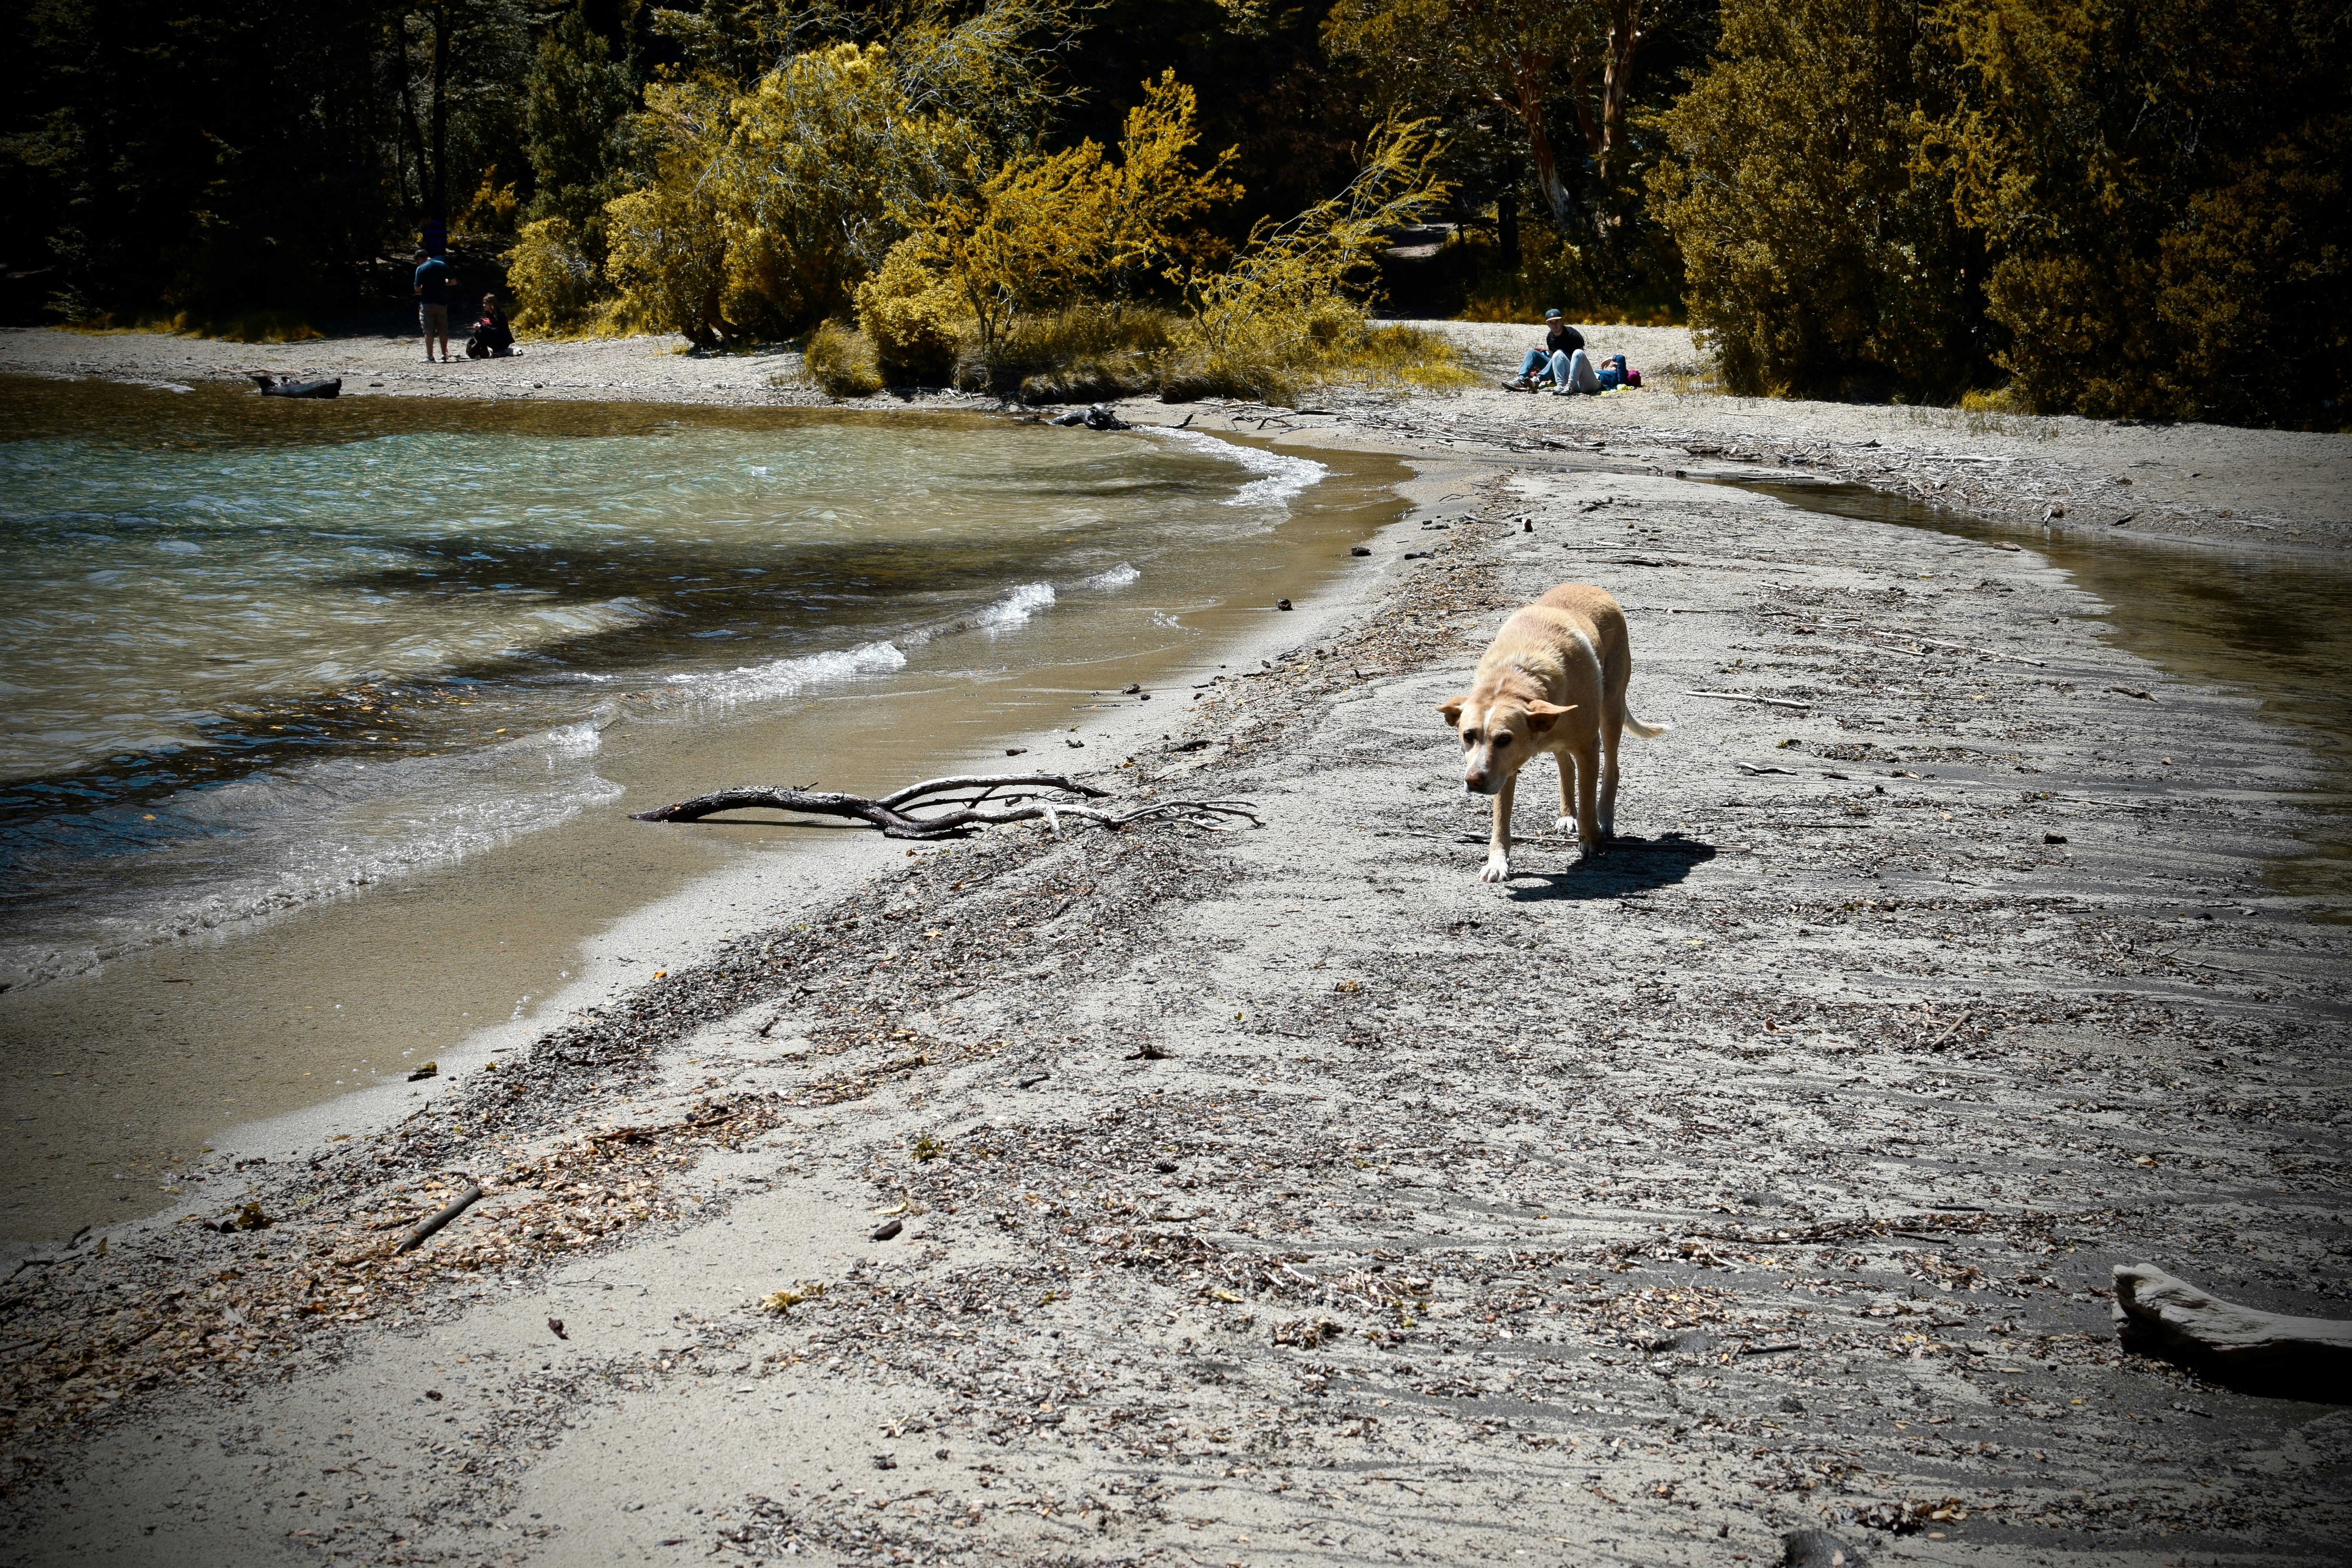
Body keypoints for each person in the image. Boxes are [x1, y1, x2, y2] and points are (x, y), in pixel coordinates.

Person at [1506, 309, 1593, 391]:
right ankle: (1521, 380)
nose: (1554, 325)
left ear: (1562, 321)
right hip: (1557, 374)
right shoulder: (1550, 337)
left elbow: (1581, 359)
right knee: (1532, 353)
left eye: (1557, 322)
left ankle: (1538, 380)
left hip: (1572, 375)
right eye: (1551, 322)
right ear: (1548, 324)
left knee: (1559, 354)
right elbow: (1552, 358)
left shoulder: (1574, 335)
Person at [414, 248, 455, 363]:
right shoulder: (442, 265)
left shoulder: (421, 268)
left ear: (420, 258)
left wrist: (425, 287)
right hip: (441, 303)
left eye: (418, 260)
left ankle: (430, 357)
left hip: (427, 303)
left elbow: (417, 289)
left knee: (428, 331)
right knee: (443, 331)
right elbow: (453, 281)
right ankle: (444, 355)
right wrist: (444, 282)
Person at [466, 294, 517, 359]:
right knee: (476, 333)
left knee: (482, 333)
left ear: (492, 304)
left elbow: (498, 331)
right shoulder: (488, 314)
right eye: (483, 303)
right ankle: (485, 352)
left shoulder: (500, 314)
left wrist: (482, 327)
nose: (484, 305)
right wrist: (478, 327)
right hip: (494, 337)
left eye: (486, 303)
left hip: (503, 340)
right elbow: (487, 327)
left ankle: (497, 351)